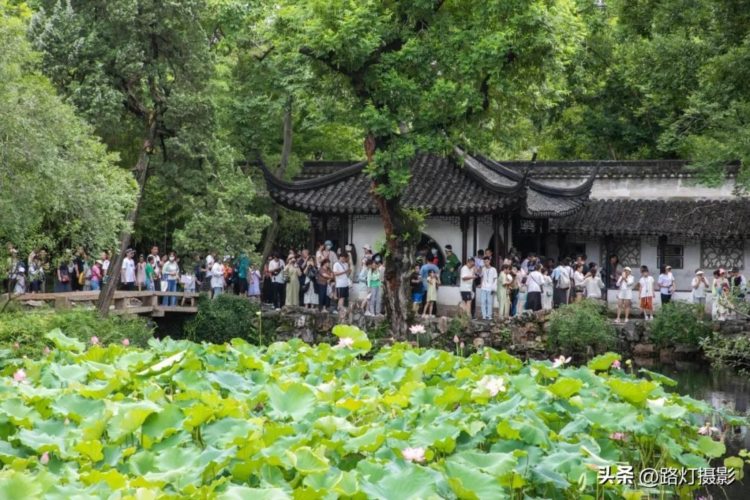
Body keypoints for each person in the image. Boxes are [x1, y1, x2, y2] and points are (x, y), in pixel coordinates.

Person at [479, 255, 497, 320]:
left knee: (489, 302)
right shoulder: (483, 269)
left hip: (490, 288)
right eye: (484, 262)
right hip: (483, 287)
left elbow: (495, 279)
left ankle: (489, 316)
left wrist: (494, 287)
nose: (485, 263)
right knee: (483, 301)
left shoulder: (493, 269)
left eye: (487, 261)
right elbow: (481, 276)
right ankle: (484, 315)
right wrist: (481, 284)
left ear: (489, 261)